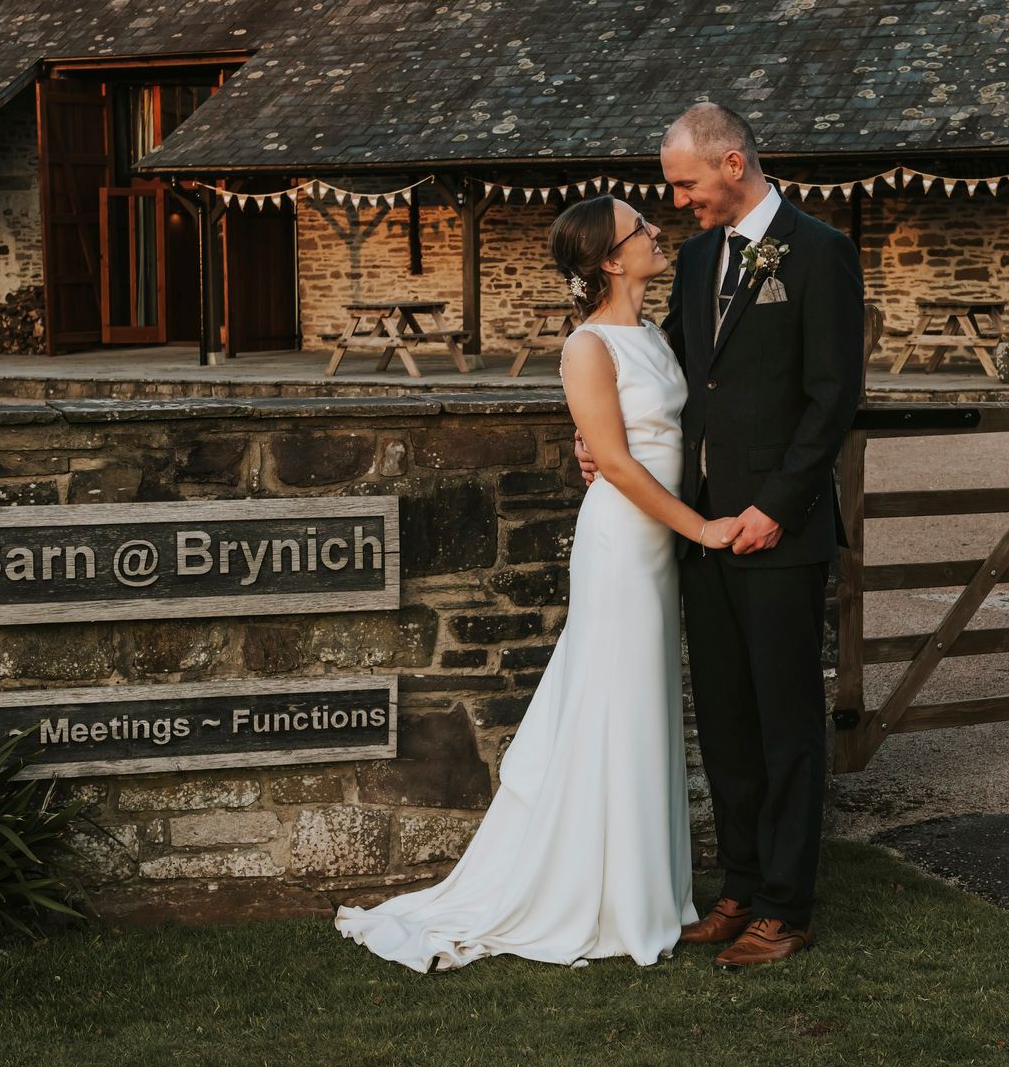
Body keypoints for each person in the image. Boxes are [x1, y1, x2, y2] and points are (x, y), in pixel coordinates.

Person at [334, 195, 738, 973]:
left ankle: (644, 890)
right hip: (625, 543)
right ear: (611, 260)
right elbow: (614, 464)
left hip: (657, 543)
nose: (658, 232)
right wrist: (703, 529)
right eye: (641, 229)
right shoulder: (587, 347)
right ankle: (601, 894)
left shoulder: (651, 332)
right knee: (613, 702)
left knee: (644, 704)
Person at [581, 103, 865, 967]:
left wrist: (775, 506)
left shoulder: (822, 254)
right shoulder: (700, 257)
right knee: (729, 724)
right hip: (701, 531)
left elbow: (832, 400)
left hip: (779, 532)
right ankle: (739, 886)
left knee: (787, 727)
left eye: (685, 182)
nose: (677, 201)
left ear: (733, 163)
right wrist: (596, 442)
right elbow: (667, 376)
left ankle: (786, 904)